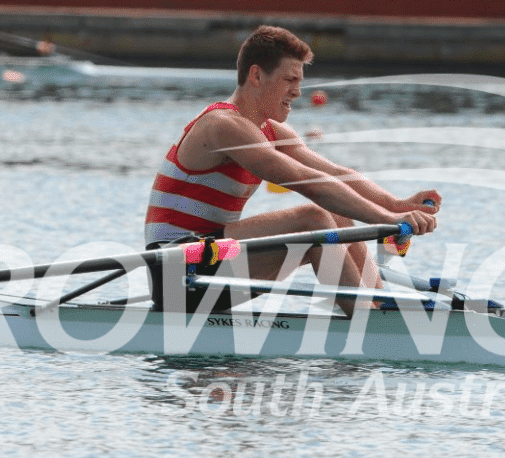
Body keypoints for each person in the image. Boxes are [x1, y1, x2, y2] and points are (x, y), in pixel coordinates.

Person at [144, 25, 440, 316]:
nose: (298, 92)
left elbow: (336, 174)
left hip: (208, 258)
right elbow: (307, 182)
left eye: (300, 81)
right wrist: (389, 220)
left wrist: (395, 205)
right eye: (289, 80)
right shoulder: (223, 125)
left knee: (336, 214)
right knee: (313, 218)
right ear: (256, 75)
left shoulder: (272, 132)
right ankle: (369, 321)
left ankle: (378, 308)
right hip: (175, 270)